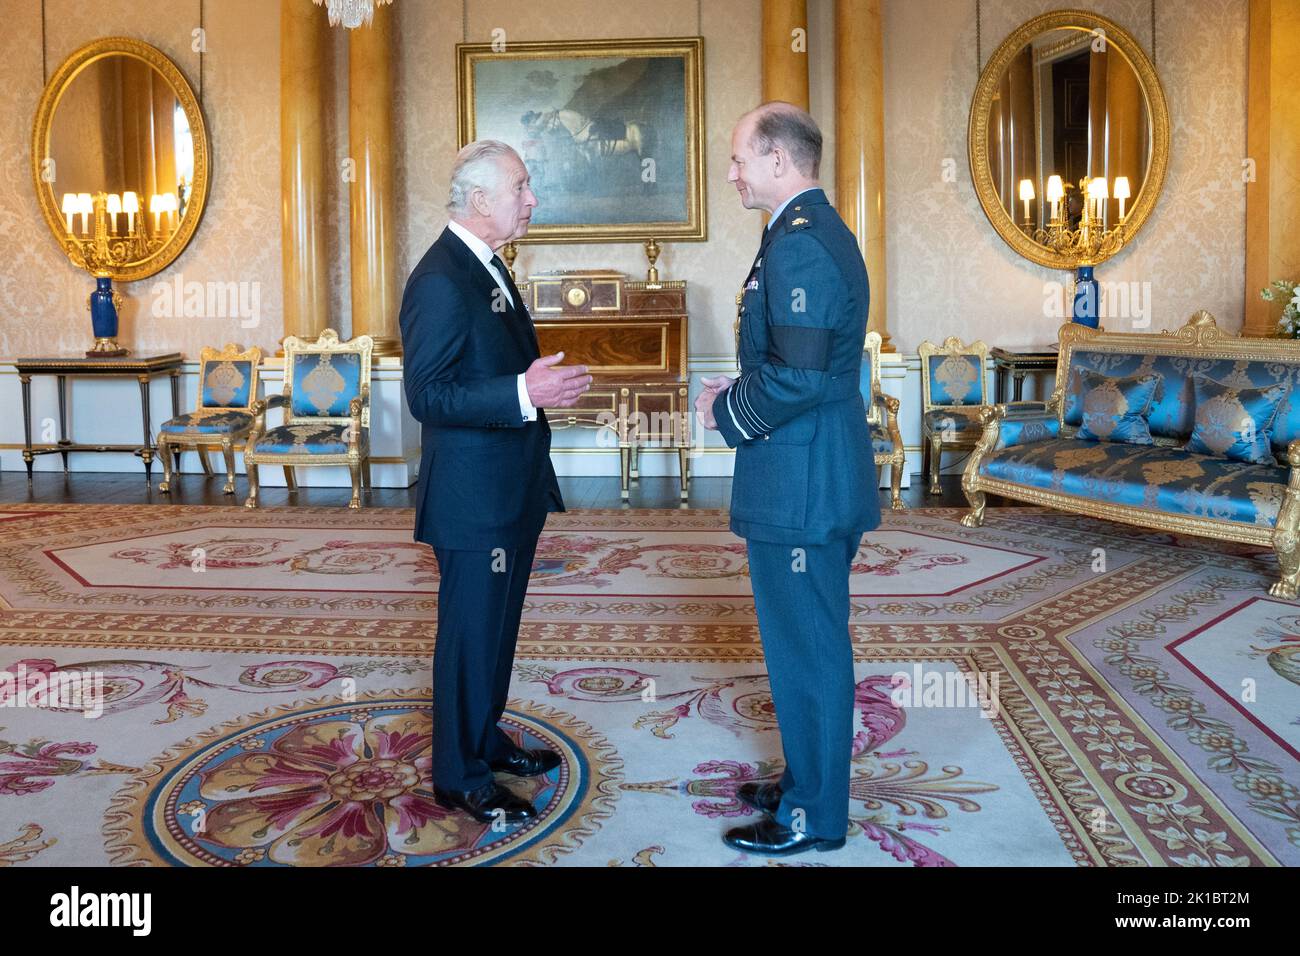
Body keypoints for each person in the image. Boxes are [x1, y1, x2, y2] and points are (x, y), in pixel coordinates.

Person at [696, 102, 880, 855]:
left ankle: (812, 816)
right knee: (804, 641)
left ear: (779, 161)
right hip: (807, 468)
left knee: (807, 648)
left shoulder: (801, 245)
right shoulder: (800, 233)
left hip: (802, 478)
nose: (732, 171)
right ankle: (808, 780)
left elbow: (799, 375)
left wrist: (726, 407)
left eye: (740, 157)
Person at [399, 140, 591, 824]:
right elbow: (428, 395)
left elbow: (496, 375)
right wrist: (521, 391)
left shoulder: (485, 264)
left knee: (498, 629)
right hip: (473, 500)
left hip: (508, 489)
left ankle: (485, 738)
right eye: (521, 187)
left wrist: (534, 390)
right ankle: (458, 775)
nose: (531, 199)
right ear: (480, 199)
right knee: (469, 635)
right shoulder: (441, 278)